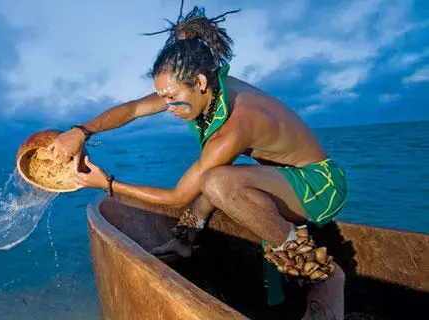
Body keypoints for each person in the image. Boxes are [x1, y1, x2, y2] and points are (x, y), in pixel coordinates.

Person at [48, 6, 347, 319]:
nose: (168, 107)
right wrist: (81, 132)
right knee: (213, 177)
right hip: (281, 177)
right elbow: (135, 109)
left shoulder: (239, 122)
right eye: (163, 97)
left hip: (320, 185)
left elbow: (179, 197)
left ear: (199, 80)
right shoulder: (197, 91)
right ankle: (183, 243)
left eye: (172, 97)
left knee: (216, 181)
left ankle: (324, 275)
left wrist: (108, 184)